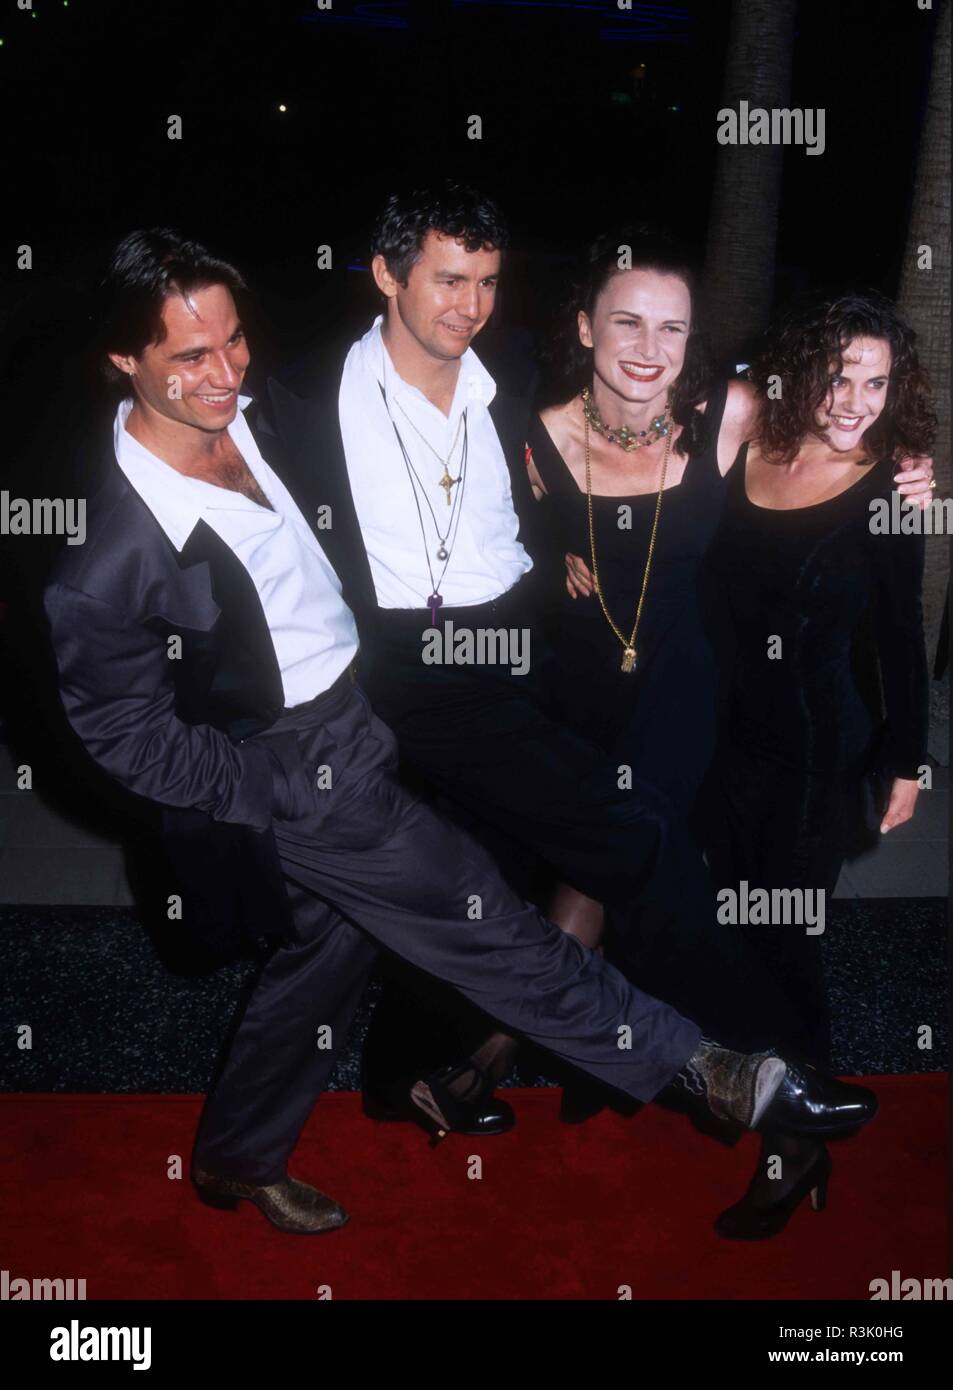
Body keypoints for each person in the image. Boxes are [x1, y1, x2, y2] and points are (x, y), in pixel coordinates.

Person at [42, 228, 874, 1236]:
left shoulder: (267, 418)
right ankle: (717, 1074)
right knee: (485, 920)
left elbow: (597, 387)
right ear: (123, 361)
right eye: (188, 356)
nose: (224, 374)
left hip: (368, 705)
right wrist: (274, 787)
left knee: (327, 954)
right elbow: (125, 739)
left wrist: (880, 445)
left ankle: (234, 1159)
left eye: (231, 342)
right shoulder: (106, 567)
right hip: (300, 766)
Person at [256, 185, 932, 1146]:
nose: (648, 346)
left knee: (619, 864)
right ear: (582, 325)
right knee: (544, 869)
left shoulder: (726, 410)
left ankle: (750, 1071)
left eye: (671, 326)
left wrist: (902, 454)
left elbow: (826, 425)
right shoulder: (525, 414)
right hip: (550, 678)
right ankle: (526, 1065)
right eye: (626, 321)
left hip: (684, 684)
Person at [700, 292, 933, 1237]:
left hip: (813, 754)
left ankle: (797, 1150)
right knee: (722, 927)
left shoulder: (889, 490)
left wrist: (907, 764)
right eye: (841, 374)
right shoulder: (749, 445)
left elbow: (901, 639)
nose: (856, 400)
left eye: (877, 382)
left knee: (785, 942)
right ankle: (754, 1086)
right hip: (718, 737)